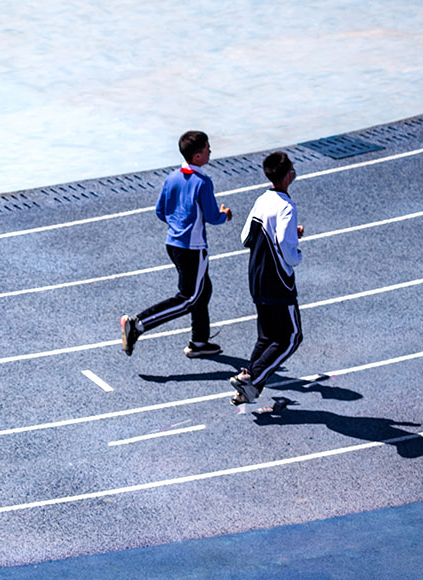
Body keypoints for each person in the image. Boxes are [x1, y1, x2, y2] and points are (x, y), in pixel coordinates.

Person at [120, 130, 232, 358]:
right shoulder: (203, 182)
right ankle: (138, 323)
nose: (211, 151)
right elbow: (212, 216)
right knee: (188, 298)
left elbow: (160, 211)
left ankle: (200, 342)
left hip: (173, 243)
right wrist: (225, 214)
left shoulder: (172, 178)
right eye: (207, 148)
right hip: (193, 248)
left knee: (203, 290)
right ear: (198, 156)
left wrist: (178, 224)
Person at [232, 150, 304, 405]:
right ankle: (251, 377)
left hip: (257, 276)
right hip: (278, 280)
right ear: (288, 175)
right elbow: (285, 244)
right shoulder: (286, 206)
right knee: (292, 337)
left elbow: (245, 237)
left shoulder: (261, 200)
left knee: (266, 336)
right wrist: (297, 253)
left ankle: (247, 386)